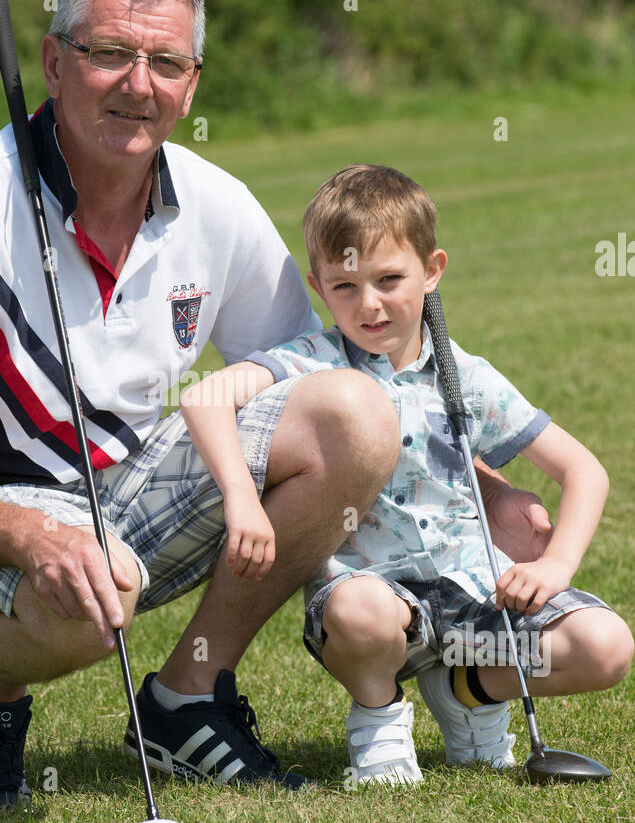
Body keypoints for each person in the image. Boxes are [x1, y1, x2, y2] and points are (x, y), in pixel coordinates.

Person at [0, 0, 552, 807]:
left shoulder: (214, 204)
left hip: (129, 505)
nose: (136, 84)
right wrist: (39, 539)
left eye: (165, 62)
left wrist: (490, 491)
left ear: (191, 84)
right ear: (53, 62)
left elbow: (343, 375)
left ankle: (185, 697)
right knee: (90, 584)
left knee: (352, 411)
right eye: (108, 52)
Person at [180, 164, 633, 784]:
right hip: (369, 598)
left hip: (476, 591)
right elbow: (204, 400)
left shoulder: (464, 375)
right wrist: (242, 498)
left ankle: (466, 688)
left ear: (432, 270)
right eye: (344, 286)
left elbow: (584, 470)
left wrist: (555, 568)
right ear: (317, 286)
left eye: (389, 279)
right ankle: (379, 715)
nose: (368, 305)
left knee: (608, 648)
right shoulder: (309, 363)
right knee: (363, 613)